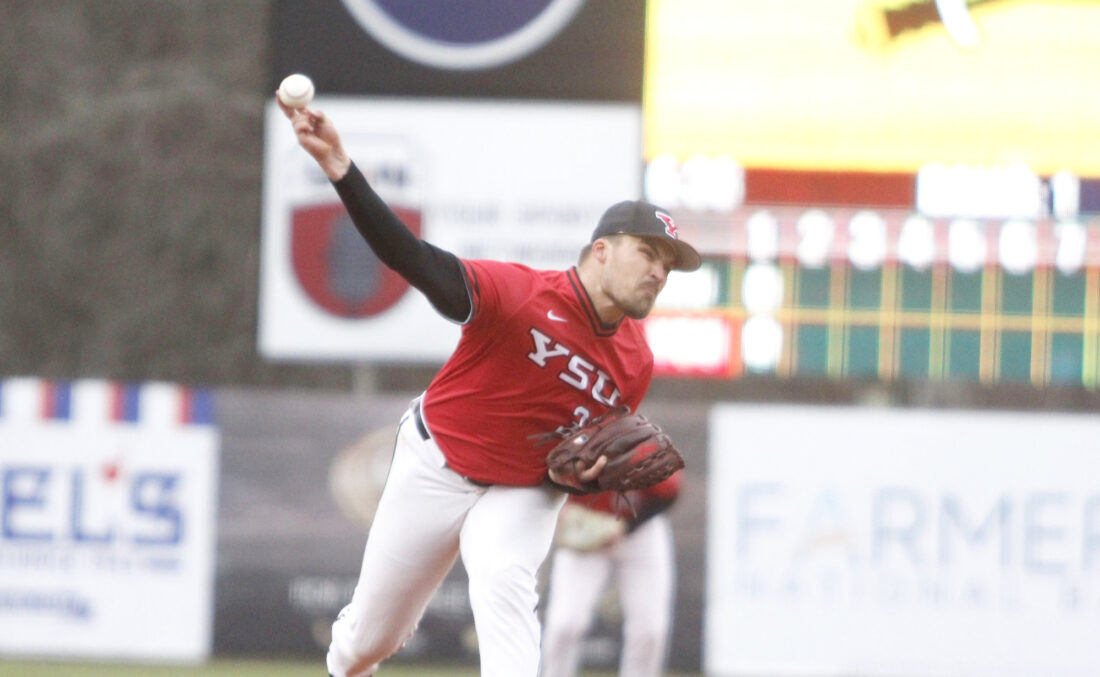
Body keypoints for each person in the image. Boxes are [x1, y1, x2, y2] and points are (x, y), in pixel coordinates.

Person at [277, 99, 701, 677]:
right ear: (601, 251)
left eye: (668, 266)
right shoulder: (518, 295)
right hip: (436, 462)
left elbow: (582, 455)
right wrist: (341, 170)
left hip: (521, 491)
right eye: (648, 252)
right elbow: (413, 259)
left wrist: (582, 476)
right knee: (368, 643)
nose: (659, 271)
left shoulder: (635, 361)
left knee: (505, 583)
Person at [540, 470, 682, 677]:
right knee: (565, 624)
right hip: (584, 530)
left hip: (639, 532)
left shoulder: (640, 442)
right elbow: (545, 472)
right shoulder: (575, 440)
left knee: (649, 630)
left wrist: (626, 527)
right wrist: (555, 506)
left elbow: (669, 491)